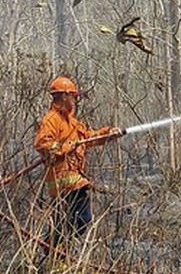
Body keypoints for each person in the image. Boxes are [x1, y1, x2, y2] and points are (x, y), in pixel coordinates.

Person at [33, 76, 124, 246]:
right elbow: (42, 144)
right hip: (63, 181)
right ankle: (53, 246)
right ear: (64, 96)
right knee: (82, 219)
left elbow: (88, 138)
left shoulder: (72, 123)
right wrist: (67, 147)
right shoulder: (51, 120)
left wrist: (108, 133)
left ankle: (55, 249)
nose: (75, 100)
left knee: (66, 222)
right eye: (73, 96)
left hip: (74, 180)